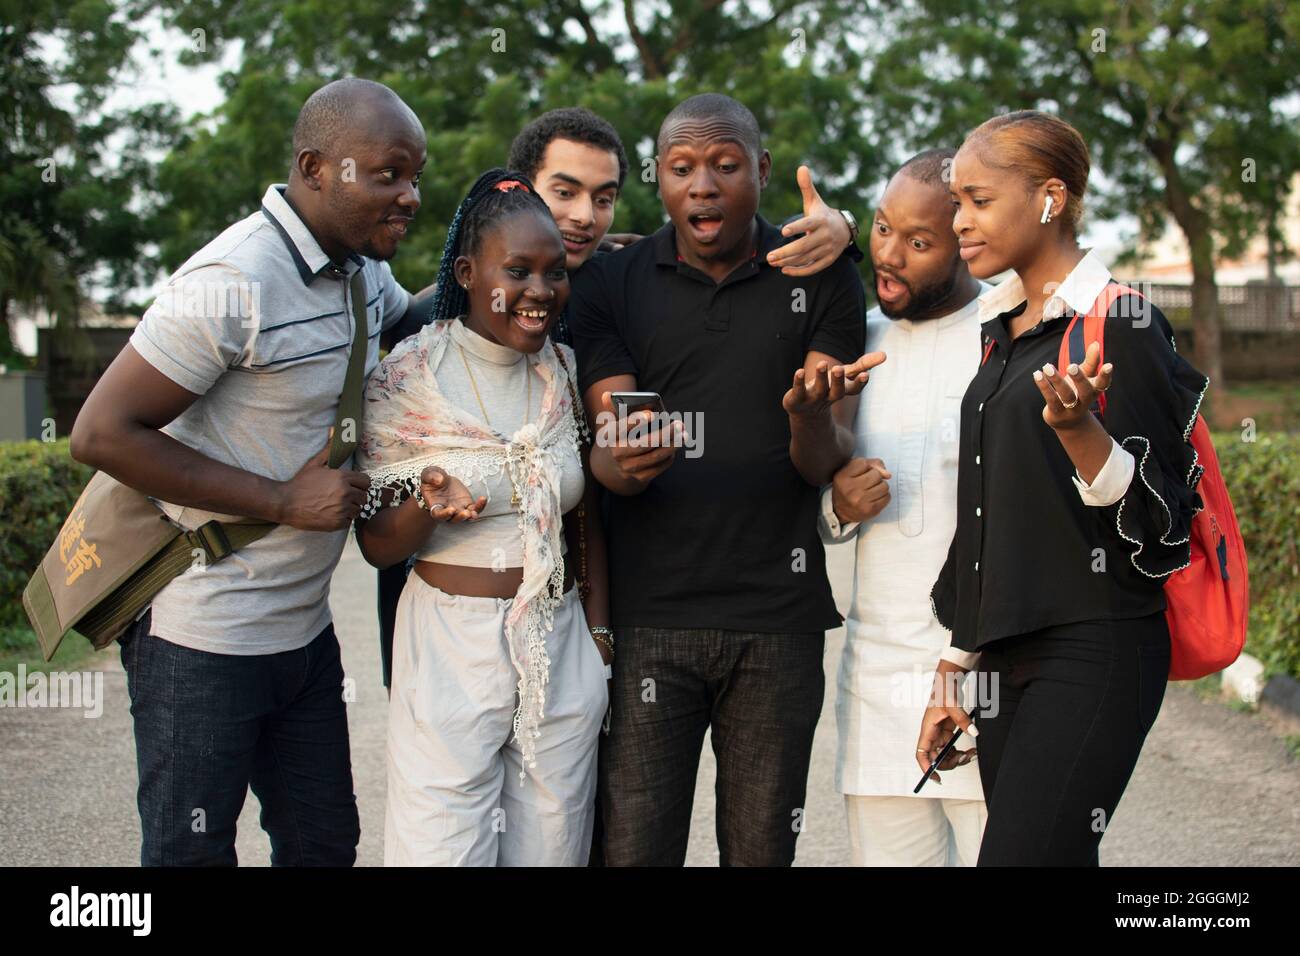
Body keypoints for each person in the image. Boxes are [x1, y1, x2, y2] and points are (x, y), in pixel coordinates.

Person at [68, 78, 435, 865]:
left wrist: (548, 253)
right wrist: (279, 498)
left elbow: (411, 323)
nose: (408, 196)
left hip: (302, 638)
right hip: (203, 637)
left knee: (322, 844)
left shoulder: (359, 271)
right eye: (388, 174)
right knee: (190, 853)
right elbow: (100, 433)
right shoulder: (231, 283)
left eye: (416, 177)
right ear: (314, 168)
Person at [569, 92, 881, 866]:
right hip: (650, 623)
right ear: (660, 180)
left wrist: (809, 418)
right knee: (635, 850)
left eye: (724, 165)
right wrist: (625, 460)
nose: (702, 185)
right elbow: (611, 451)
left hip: (777, 620)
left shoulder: (824, 276)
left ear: (762, 171)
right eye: (681, 168)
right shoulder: (612, 285)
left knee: (762, 850)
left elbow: (822, 457)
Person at [920, 110, 1209, 866]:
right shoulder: (1001, 329)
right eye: (956, 203)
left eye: (978, 200)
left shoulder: (1124, 324)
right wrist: (955, 669)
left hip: (1096, 648)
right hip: (1003, 657)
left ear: (1050, 197)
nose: (960, 222)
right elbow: (988, 515)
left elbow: (1162, 526)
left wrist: (1081, 432)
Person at [354, 168, 610, 866]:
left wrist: (599, 639)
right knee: (441, 847)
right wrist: (423, 502)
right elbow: (376, 547)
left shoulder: (565, 373)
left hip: (556, 643)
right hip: (447, 643)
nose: (540, 292)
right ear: (467, 272)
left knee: (553, 847)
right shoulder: (410, 379)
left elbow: (585, 518)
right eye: (518, 271)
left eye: (554, 272)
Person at [819, 148, 991, 866]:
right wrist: (837, 507)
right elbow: (817, 504)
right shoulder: (857, 341)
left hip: (987, 676)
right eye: (883, 229)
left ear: (967, 246)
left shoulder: (1005, 339)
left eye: (918, 243)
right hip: (879, 682)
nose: (888, 255)